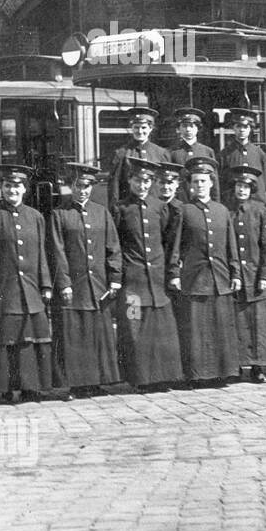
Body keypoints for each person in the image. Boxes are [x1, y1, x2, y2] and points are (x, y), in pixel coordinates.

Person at [0, 164, 55, 403]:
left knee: (31, 340)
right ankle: (9, 388)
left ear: (25, 189)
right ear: (1, 188)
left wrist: (46, 285)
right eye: (8, 185)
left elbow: (42, 253)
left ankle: (32, 387)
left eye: (17, 186)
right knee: (7, 339)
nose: (13, 190)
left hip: (31, 290)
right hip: (6, 290)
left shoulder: (36, 217)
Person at [48, 163, 121, 398]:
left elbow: (113, 247)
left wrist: (115, 278)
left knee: (97, 334)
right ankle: (76, 384)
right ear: (71, 186)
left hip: (98, 285)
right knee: (74, 335)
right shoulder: (59, 214)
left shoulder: (102, 212)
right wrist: (64, 283)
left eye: (88, 186)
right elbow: (57, 252)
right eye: (79, 186)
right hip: (74, 287)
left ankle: (97, 382)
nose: (83, 191)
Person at [168, 157, 242, 386]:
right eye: (196, 182)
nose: (200, 185)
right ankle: (198, 375)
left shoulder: (222, 211)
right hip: (195, 278)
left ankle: (222, 373)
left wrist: (236, 272)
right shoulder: (185, 211)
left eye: (204, 181)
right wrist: (174, 273)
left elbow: (231, 246)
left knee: (220, 326)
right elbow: (176, 246)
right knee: (197, 329)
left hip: (220, 277)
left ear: (211, 183)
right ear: (190, 185)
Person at [112, 157, 183, 392]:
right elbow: (115, 245)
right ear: (130, 180)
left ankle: (163, 377)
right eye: (138, 180)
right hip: (133, 283)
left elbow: (168, 242)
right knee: (134, 328)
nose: (142, 186)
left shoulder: (160, 208)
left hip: (157, 281)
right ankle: (139, 379)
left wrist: (170, 271)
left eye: (147, 181)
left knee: (160, 328)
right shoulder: (120, 209)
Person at [226, 164, 266, 383]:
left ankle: (258, 367)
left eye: (246, 187)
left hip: (256, 276)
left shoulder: (261, 212)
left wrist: (265, 275)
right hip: (235, 276)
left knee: (259, 323)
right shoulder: (226, 211)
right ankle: (236, 366)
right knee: (237, 322)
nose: (242, 190)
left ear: (252, 189)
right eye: (238, 185)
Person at [107, 107, 170, 207]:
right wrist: (115, 209)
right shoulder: (121, 153)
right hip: (130, 208)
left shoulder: (161, 153)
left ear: (151, 128)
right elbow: (114, 186)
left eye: (144, 127)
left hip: (155, 207)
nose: (140, 131)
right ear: (131, 128)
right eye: (136, 127)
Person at [221, 109, 266, 201]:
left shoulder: (259, 153)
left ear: (250, 129)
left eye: (245, 127)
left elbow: (265, 181)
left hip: (256, 203)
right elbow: (222, 181)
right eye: (238, 126)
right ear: (233, 128)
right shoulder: (225, 154)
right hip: (233, 203)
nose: (242, 130)